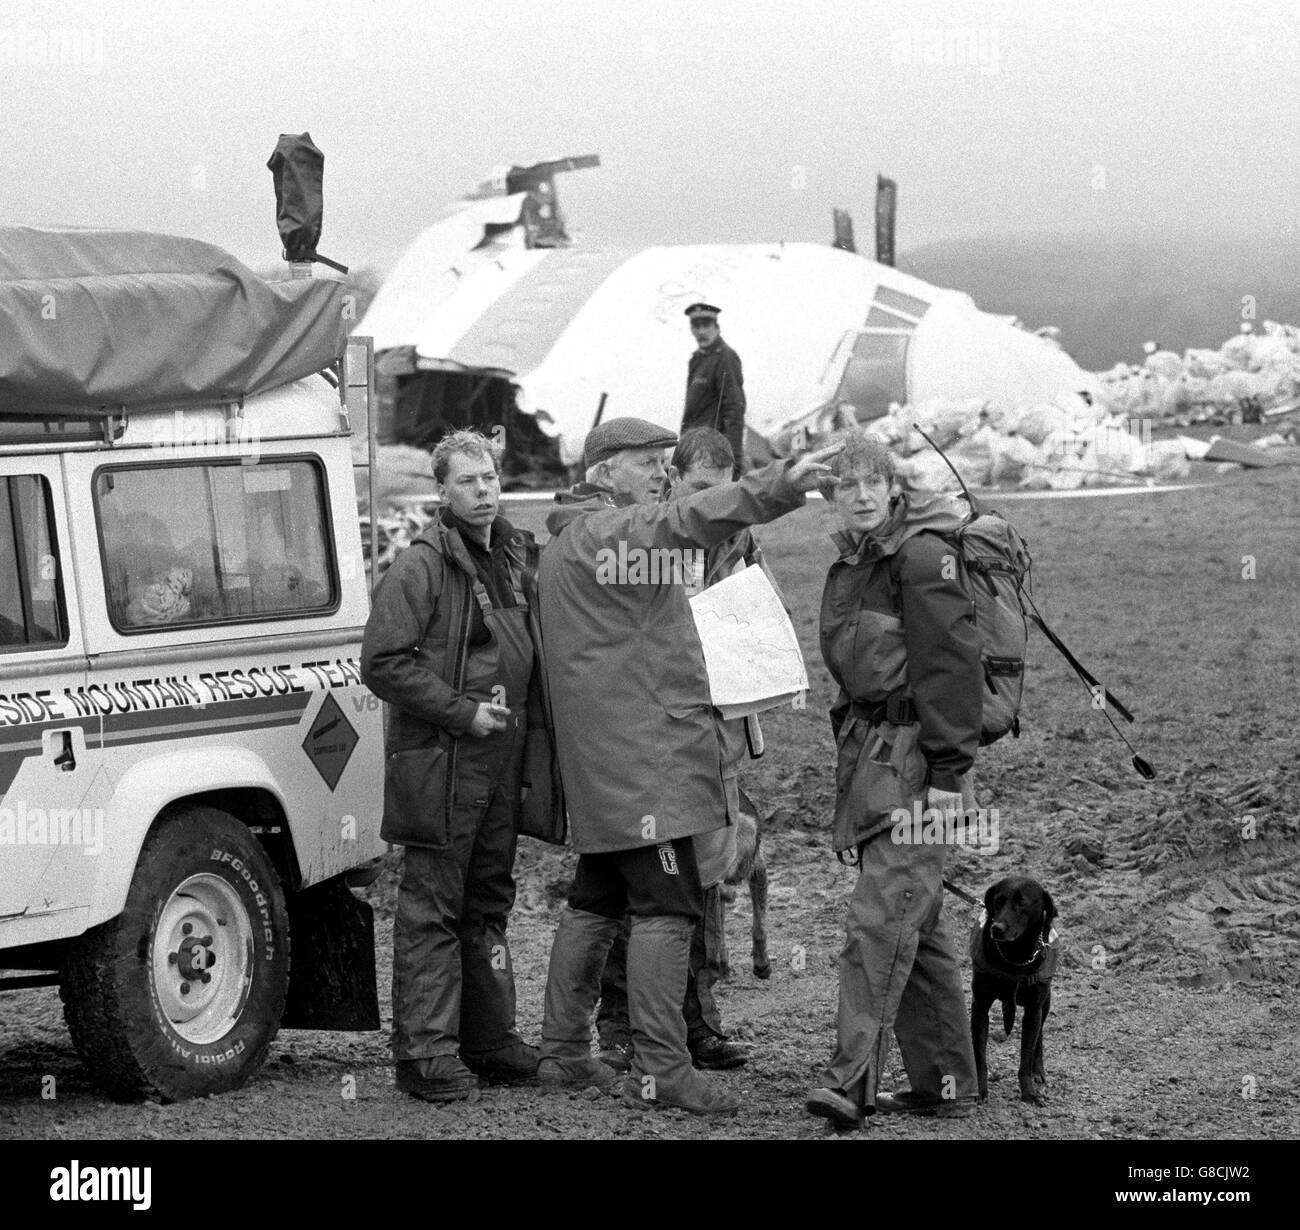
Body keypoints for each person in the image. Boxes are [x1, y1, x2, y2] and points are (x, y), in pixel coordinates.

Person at [536, 416, 838, 1115]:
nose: (659, 475)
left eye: (662, 463)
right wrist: (776, 487)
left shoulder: (569, 541)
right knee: (668, 907)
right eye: (646, 462)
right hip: (646, 765)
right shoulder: (607, 534)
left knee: (595, 901)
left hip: (609, 766)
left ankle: (562, 1053)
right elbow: (688, 521)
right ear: (605, 469)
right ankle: (664, 1070)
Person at [803, 432, 983, 1131]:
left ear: (893, 486)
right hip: (878, 753)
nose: (861, 494)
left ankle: (850, 1083)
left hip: (920, 760)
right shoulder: (858, 559)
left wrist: (947, 773)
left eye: (872, 481)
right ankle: (946, 1081)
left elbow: (953, 664)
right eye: (846, 484)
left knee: (880, 921)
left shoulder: (918, 555)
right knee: (918, 915)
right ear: (831, 495)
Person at [361, 429, 544, 1103]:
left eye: (491, 477)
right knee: (433, 908)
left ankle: (489, 1041)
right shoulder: (422, 565)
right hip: (443, 759)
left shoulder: (511, 554)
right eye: (468, 481)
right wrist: (461, 712)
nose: (485, 490)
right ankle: (424, 1056)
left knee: (488, 902)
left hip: (501, 759)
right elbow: (383, 663)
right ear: (441, 492)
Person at [592, 428, 773, 1074]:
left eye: (727, 489)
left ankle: (699, 1023)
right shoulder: (656, 535)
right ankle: (619, 1026)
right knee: (640, 879)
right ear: (676, 481)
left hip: (716, 730)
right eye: (703, 489)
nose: (717, 501)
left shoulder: (743, 540)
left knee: (705, 882)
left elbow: (760, 621)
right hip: (654, 733)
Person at [681, 302, 746, 477]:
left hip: (713, 454)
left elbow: (734, 409)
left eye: (706, 325)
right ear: (691, 329)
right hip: (694, 450)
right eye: (696, 326)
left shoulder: (725, 357)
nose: (701, 331)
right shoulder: (697, 360)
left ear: (716, 327)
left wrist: (734, 461)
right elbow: (692, 413)